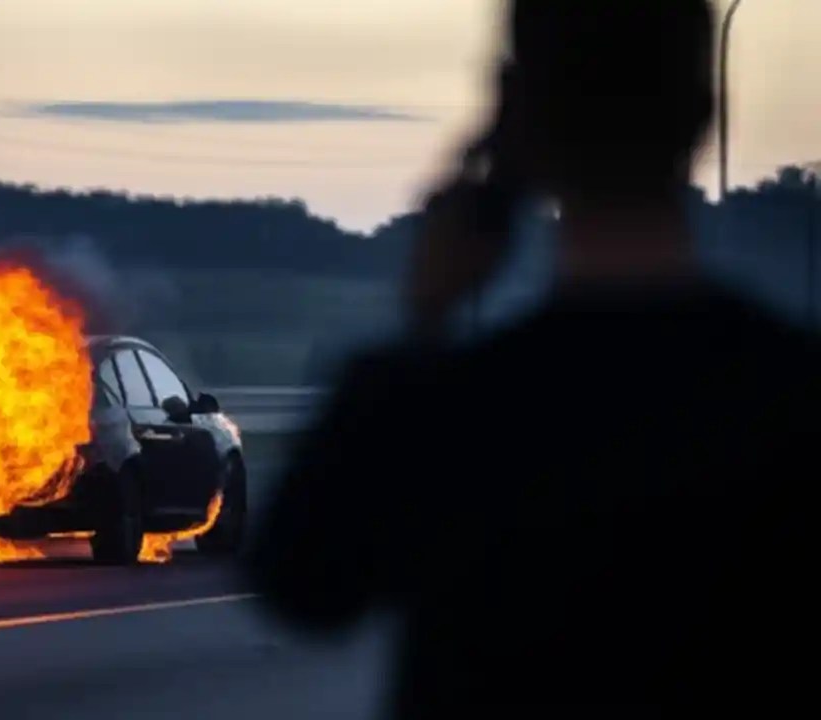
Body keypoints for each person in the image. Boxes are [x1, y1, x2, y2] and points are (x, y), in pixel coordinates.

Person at [246, 1, 818, 716]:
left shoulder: (447, 409)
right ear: (705, 111)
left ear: (520, 117)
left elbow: (305, 587)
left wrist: (423, 320)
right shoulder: (790, 397)